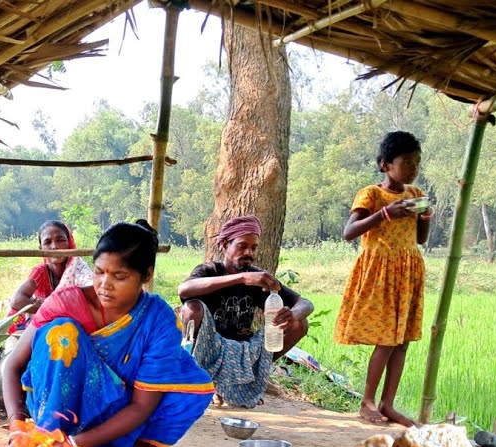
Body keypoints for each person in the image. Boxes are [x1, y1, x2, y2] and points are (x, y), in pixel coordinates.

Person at [2, 221, 214, 447]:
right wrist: (16, 428)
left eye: (119, 276)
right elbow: (12, 367)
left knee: (187, 379)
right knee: (62, 333)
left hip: (121, 409)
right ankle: (52, 437)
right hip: (61, 411)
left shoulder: (157, 319)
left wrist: (72, 446)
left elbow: (142, 406)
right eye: (99, 272)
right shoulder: (66, 302)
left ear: (146, 276)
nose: (105, 285)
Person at [334, 131, 433, 426]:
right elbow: (349, 232)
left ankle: (388, 404)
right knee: (386, 340)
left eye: (417, 162)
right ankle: (367, 401)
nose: (414, 168)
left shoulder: (415, 195)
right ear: (385, 165)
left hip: (409, 271)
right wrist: (385, 214)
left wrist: (426, 218)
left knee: (401, 341)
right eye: (407, 162)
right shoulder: (372, 194)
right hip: (380, 271)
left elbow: (422, 238)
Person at [178, 215, 312, 408]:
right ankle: (202, 381)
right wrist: (241, 278)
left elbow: (305, 303)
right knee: (192, 308)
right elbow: (184, 290)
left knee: (299, 323)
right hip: (210, 349)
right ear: (225, 245)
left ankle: (255, 376)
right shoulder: (210, 271)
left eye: (254, 247)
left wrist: (293, 314)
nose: (248, 252)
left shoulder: (259, 278)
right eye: (242, 246)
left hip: (245, 350)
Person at [7, 221, 93, 335]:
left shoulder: (79, 268)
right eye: (47, 242)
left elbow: (93, 295)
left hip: (73, 326)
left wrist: (47, 304)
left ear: (69, 243)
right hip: (43, 324)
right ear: (41, 248)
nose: (54, 246)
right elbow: (16, 301)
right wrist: (53, 309)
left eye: (60, 240)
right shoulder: (40, 272)